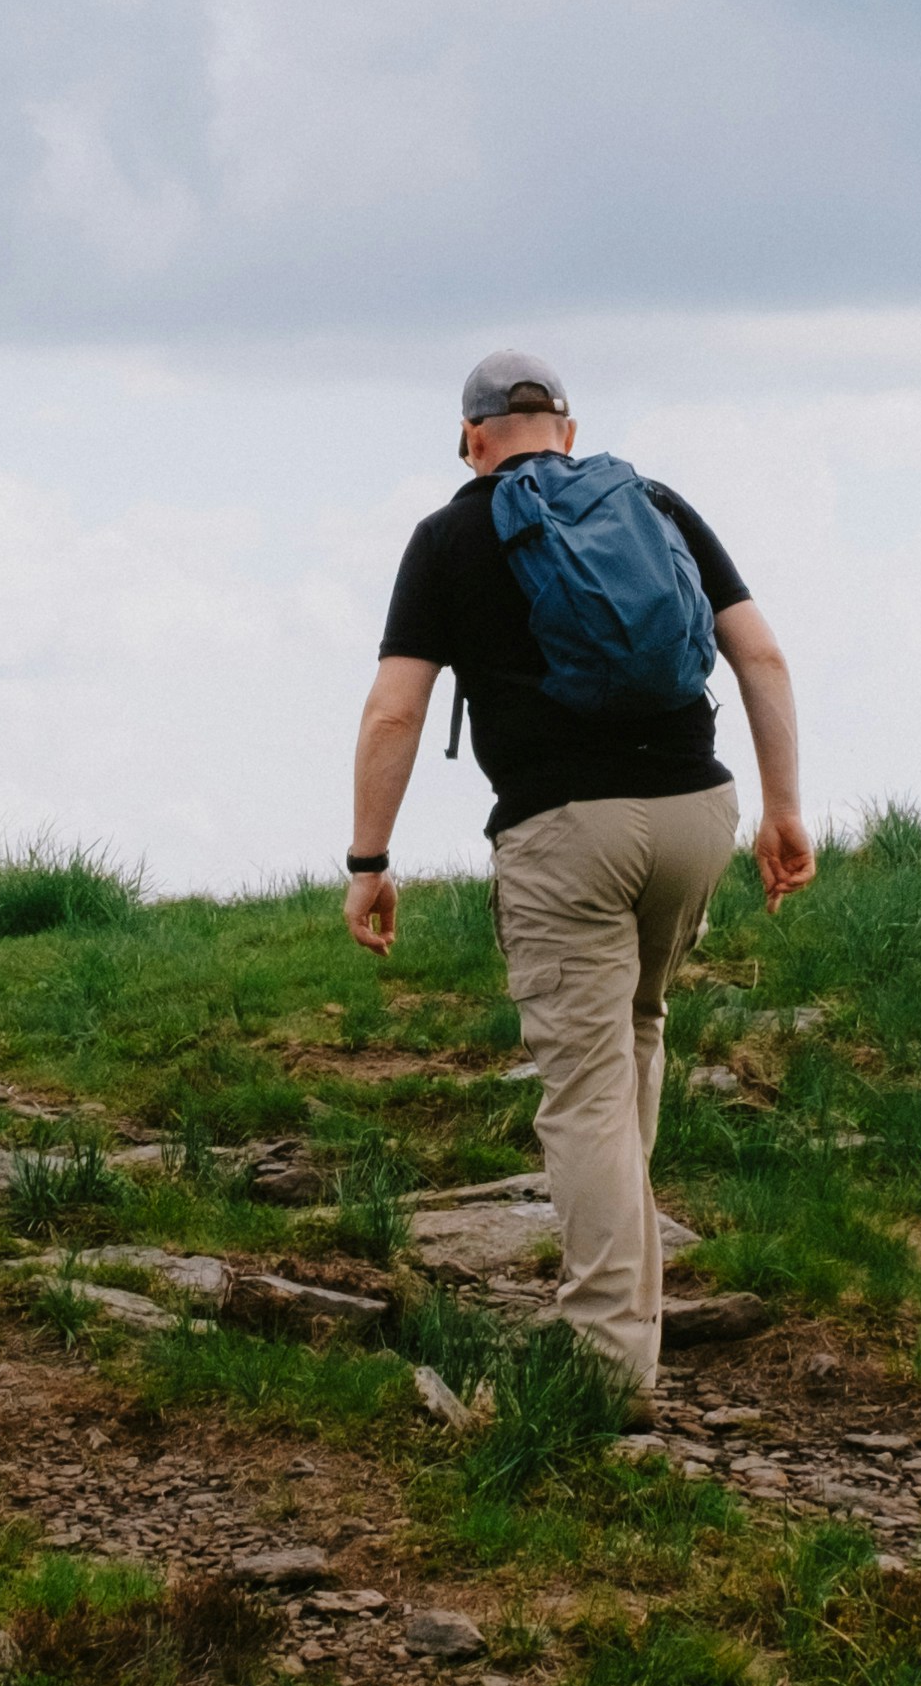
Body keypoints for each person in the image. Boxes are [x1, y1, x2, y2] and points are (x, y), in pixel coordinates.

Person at [343, 345, 813, 1400]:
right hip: (697, 809)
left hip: (567, 830)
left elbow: (394, 709)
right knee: (637, 1031)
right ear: (566, 423)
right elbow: (761, 659)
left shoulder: (449, 534)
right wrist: (782, 811)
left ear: (470, 440)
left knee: (585, 1091)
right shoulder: (652, 502)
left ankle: (605, 1363)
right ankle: (629, 1305)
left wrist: (367, 860)